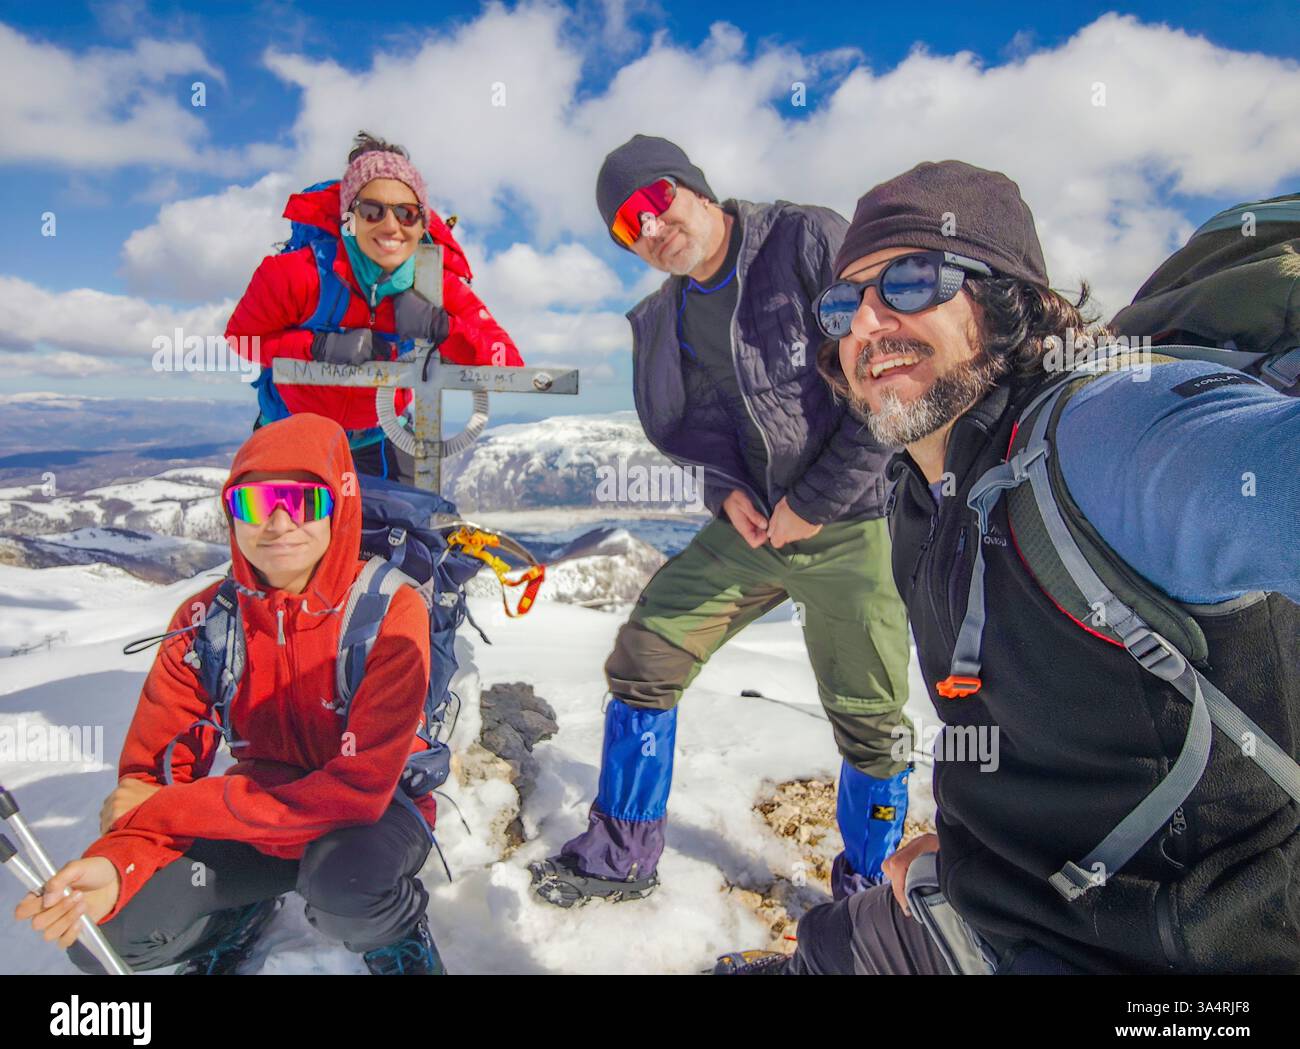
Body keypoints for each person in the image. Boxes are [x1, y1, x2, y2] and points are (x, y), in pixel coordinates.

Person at [724, 160, 1300, 974]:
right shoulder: (920, 493)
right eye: (844, 303)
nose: (864, 325)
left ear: (1008, 301)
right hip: (987, 909)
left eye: (912, 281)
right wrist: (972, 851)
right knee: (820, 944)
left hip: (1174, 955)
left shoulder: (1109, 434)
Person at [530, 135, 912, 907]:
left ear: (695, 187)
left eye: (654, 201)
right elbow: (711, 428)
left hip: (856, 520)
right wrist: (721, 492)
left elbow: (890, 381)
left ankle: (874, 897)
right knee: (647, 651)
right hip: (758, 527)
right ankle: (621, 852)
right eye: (625, 228)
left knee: (872, 718)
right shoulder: (669, 315)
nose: (648, 229)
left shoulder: (804, 239)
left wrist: (813, 504)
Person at [12, 414, 445, 975]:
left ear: (338, 505)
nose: (279, 522)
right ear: (231, 514)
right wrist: (120, 865)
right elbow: (153, 777)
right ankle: (238, 917)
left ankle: (396, 933)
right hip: (254, 822)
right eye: (254, 503)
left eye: (303, 500)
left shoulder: (389, 610)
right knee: (107, 936)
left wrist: (166, 810)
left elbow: (356, 793)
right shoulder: (205, 623)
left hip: (374, 819)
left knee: (346, 887)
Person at [226, 131, 522, 482]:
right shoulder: (297, 275)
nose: (391, 226)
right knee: (288, 531)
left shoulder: (435, 285)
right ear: (348, 218)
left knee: (397, 533)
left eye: (407, 213)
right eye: (371, 211)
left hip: (381, 434)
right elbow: (242, 339)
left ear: (423, 222)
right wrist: (319, 347)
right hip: (293, 427)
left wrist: (440, 327)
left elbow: (507, 364)